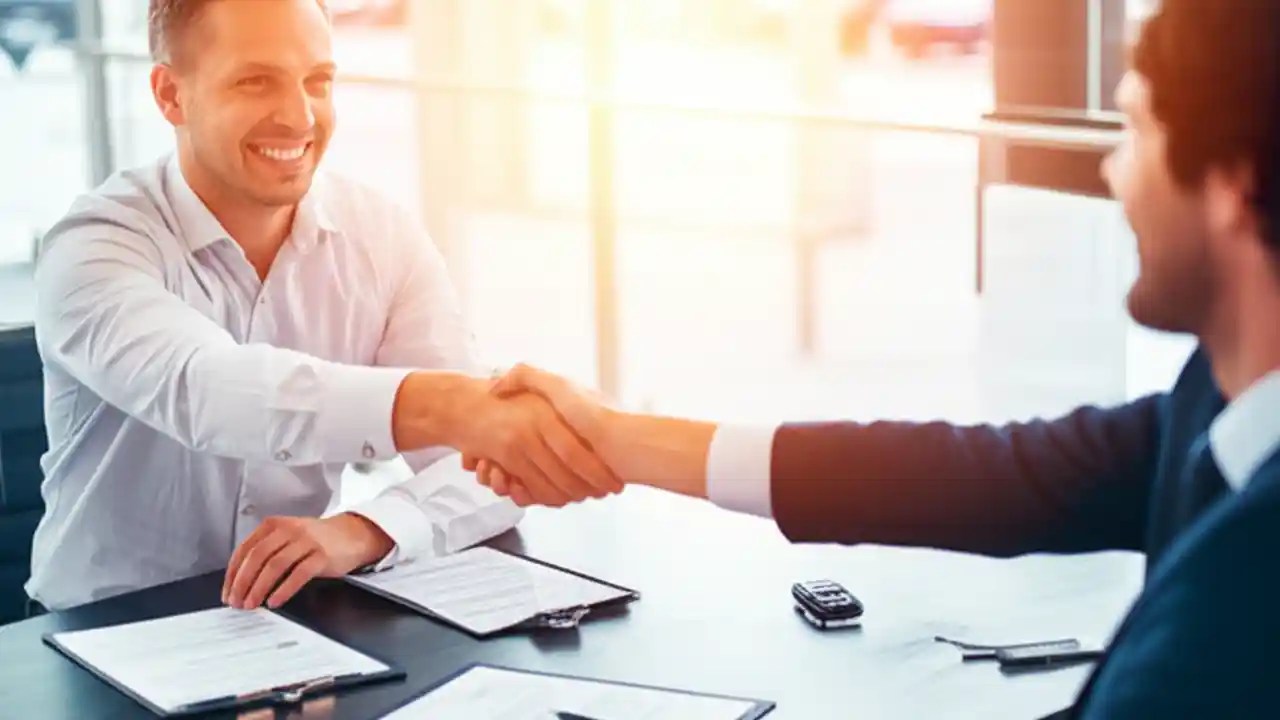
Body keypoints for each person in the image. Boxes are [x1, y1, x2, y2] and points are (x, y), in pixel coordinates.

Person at [468, 1, 1280, 715]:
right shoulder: (1216, 405)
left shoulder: (1249, 573)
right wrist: (619, 439)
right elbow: (980, 475)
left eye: (1136, 129)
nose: (1111, 170)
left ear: (1233, 185)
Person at [26, 0, 619, 613]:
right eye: (256, 81)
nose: (298, 116)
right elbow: (207, 391)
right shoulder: (94, 247)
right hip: (96, 627)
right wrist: (458, 405)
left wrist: (367, 529)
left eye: (317, 81)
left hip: (286, 621)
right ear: (171, 95)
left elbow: (483, 469)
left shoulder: (379, 236)